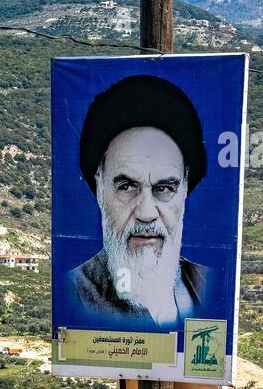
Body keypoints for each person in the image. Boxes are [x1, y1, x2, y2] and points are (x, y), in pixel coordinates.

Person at [64, 74, 213, 330]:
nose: (146, 213)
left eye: (164, 188)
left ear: (185, 189)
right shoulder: (74, 294)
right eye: (127, 187)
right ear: (99, 188)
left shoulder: (206, 284)